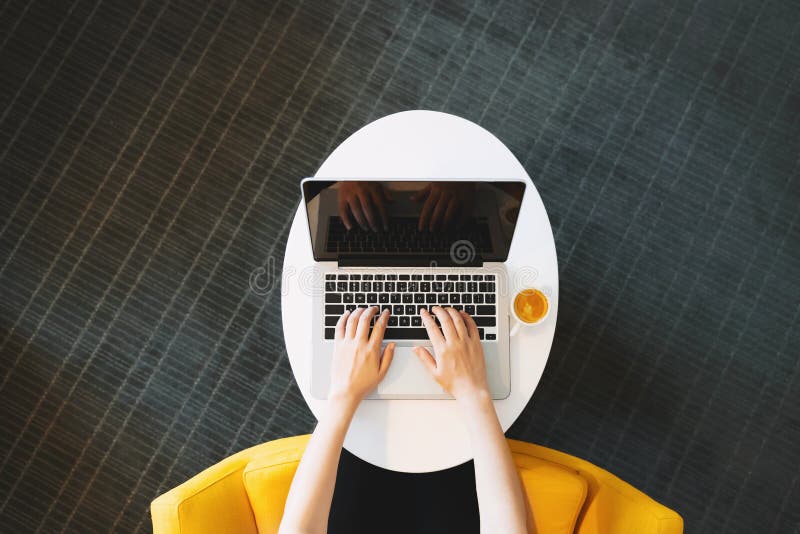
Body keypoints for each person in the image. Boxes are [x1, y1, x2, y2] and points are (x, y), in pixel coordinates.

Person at [278, 306, 529, 534]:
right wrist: (473, 392)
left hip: (354, 478)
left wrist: (344, 394)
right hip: (464, 485)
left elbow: (301, 529)